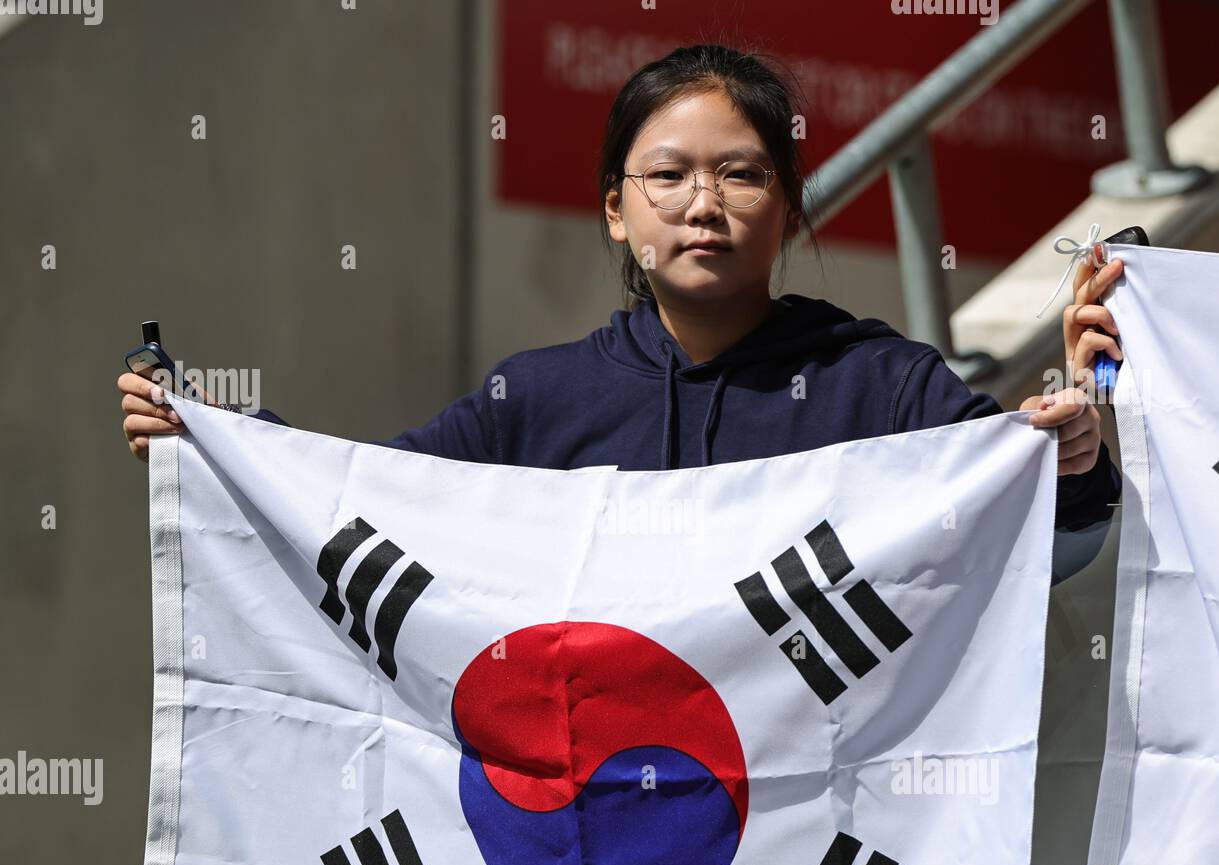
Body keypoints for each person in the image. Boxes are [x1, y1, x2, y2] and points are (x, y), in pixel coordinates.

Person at [118, 44, 1124, 579]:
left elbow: (1048, 545)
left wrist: (1076, 449)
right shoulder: (536, 402)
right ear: (613, 209)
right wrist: (216, 439)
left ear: (787, 208)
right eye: (668, 175)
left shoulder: (882, 384)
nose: (702, 203)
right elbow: (369, 509)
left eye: (741, 174)